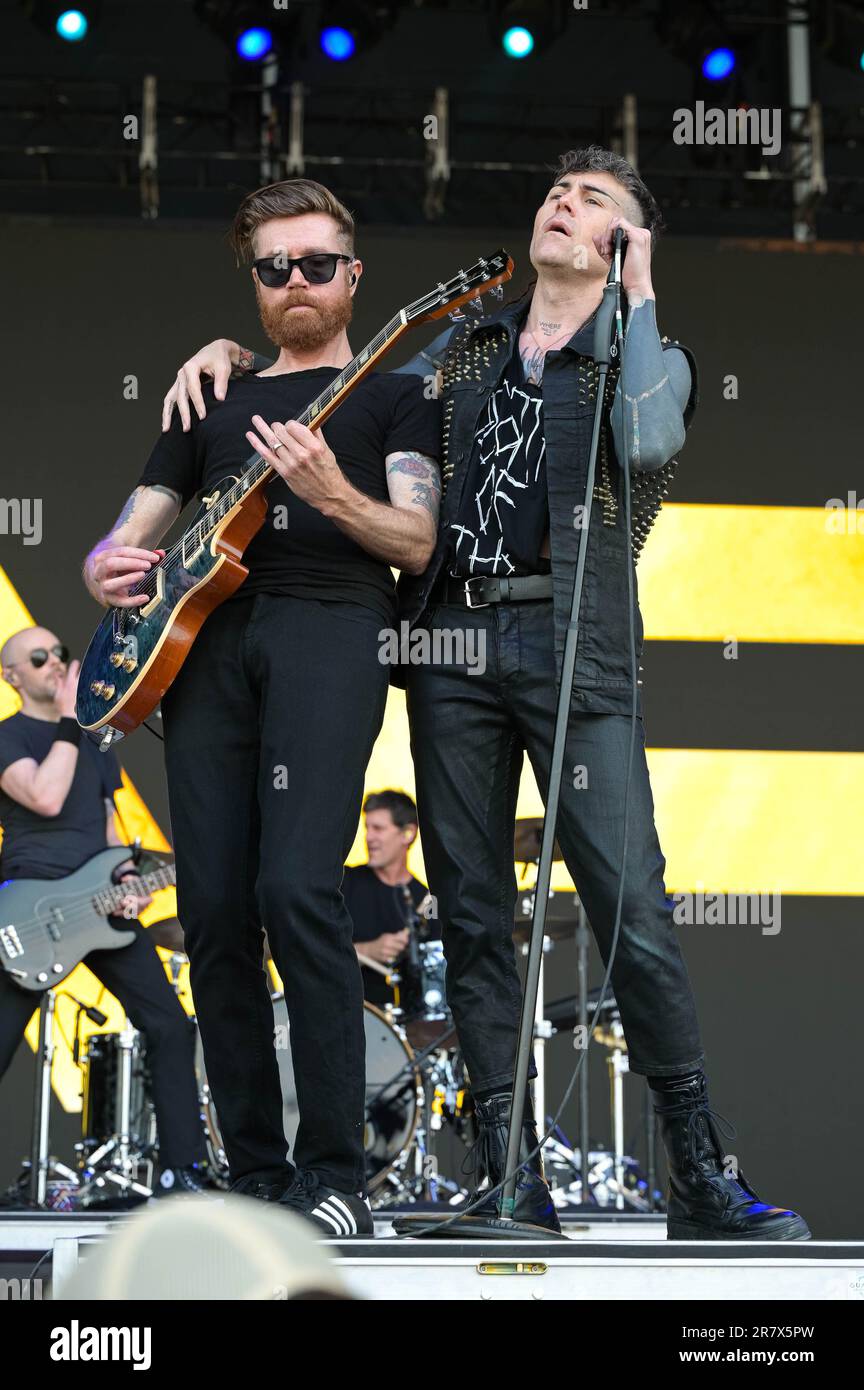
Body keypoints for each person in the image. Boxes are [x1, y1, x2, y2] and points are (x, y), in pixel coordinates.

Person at [159, 146, 810, 1241]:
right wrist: (231, 356)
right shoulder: (467, 349)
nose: (564, 202)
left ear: (624, 241)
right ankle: (512, 1181)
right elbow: (338, 380)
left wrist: (639, 294)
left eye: (595, 201)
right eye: (558, 190)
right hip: (452, 642)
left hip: (569, 641)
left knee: (631, 910)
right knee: (470, 915)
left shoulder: (647, 355)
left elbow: (648, 438)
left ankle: (702, 1174)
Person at [82, 178, 441, 1237]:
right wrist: (109, 562)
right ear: (253, 281)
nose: (296, 282)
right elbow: (130, 531)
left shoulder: (396, 393)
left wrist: (330, 491)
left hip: (330, 627)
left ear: (353, 275)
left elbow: (416, 540)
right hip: (205, 645)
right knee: (215, 914)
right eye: (274, 266)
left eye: (317, 264)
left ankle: (336, 1172)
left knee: (296, 888)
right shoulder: (212, 394)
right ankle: (255, 1171)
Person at [0, 626, 208, 1198]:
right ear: (10, 676)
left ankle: (179, 1171)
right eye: (38, 657)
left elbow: (114, 831)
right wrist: (71, 719)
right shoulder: (9, 737)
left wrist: (129, 882)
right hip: (28, 910)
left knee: (169, 1025)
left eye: (59, 653)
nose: (55, 662)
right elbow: (43, 795)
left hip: (101, 912)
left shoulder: (92, 743)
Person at [343, 789, 439, 1012]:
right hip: (345, 1012)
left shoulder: (428, 900)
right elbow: (306, 949)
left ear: (408, 834)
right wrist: (366, 951)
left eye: (378, 828)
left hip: (407, 1031)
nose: (368, 837)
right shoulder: (342, 884)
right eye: (367, 828)